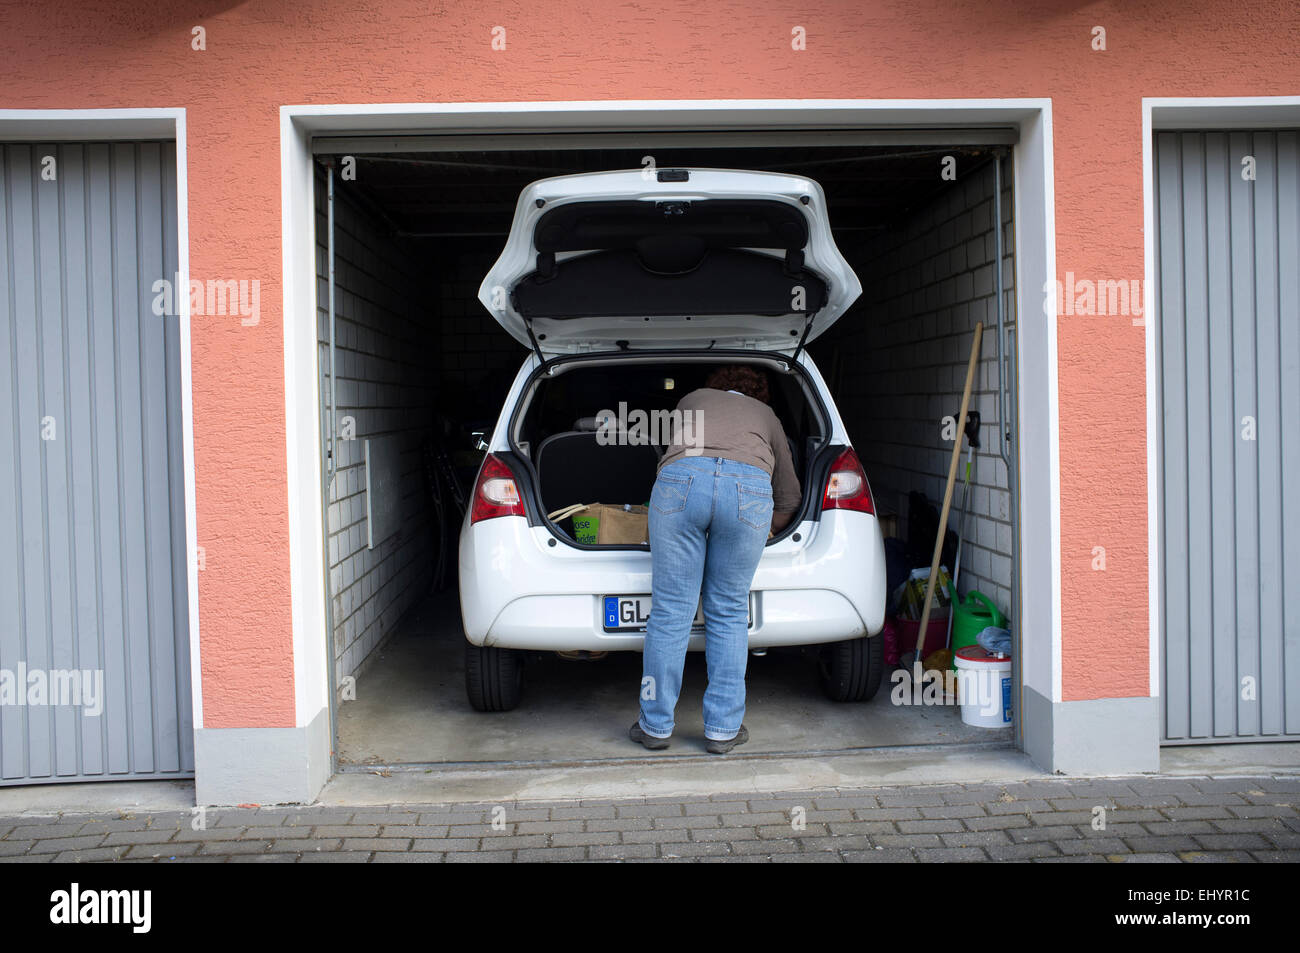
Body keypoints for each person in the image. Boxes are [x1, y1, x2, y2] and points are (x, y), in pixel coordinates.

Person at [630, 364, 801, 754]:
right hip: (749, 493)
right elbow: (790, 495)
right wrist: (765, 529)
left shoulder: (691, 400)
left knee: (672, 610)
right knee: (727, 611)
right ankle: (722, 731)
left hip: (680, 486)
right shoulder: (768, 416)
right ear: (760, 395)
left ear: (715, 387)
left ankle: (655, 727)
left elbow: (673, 451)